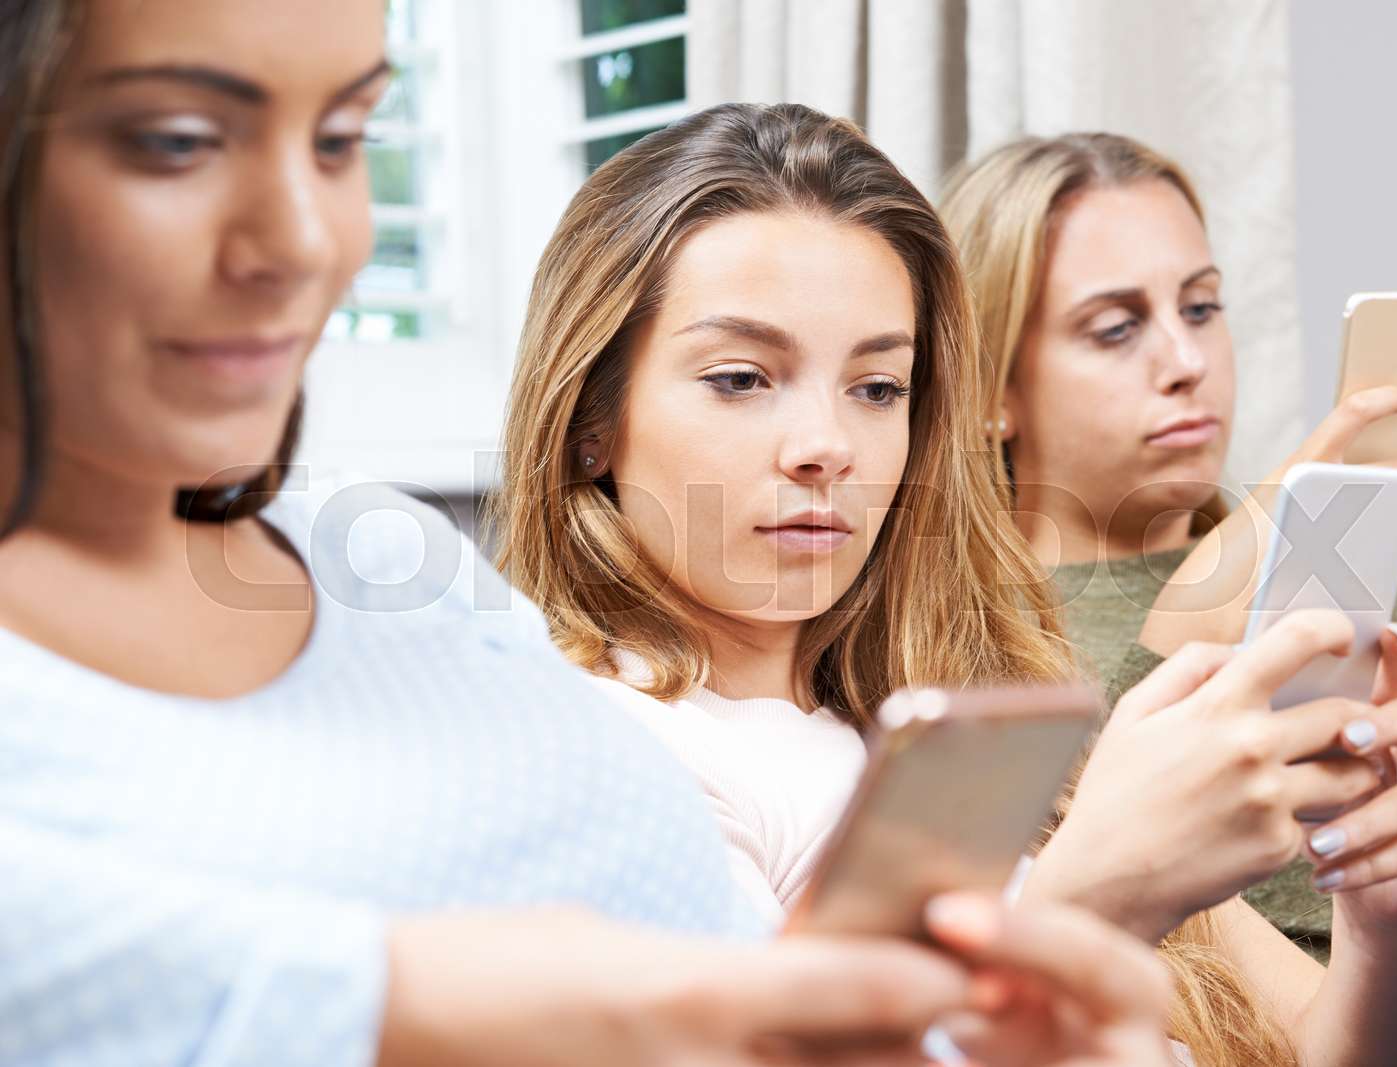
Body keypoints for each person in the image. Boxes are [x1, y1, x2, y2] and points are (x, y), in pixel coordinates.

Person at [0, 4, 1182, 1065]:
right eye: (177, 142)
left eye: (344, 137)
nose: (308, 240)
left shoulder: (394, 566)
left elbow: (788, 1027)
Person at [494, 100, 1397, 1066]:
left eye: (878, 387)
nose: (827, 445)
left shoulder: (982, 709)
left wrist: (1392, 916)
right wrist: (1095, 892)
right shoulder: (611, 755)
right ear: (591, 422)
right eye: (742, 377)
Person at [940, 130, 1397, 1065]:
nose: (1185, 360)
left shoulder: (1357, 569)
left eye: (1201, 308)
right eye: (1115, 327)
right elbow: (1097, 866)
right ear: (988, 389)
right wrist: (1199, 611)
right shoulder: (973, 640)